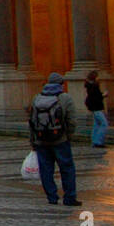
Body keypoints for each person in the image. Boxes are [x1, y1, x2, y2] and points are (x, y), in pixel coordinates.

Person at [28, 72, 81, 206]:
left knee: (46, 170)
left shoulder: (37, 98)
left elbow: (32, 121)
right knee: (67, 168)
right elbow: (72, 121)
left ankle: (52, 197)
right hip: (60, 139)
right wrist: (68, 136)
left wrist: (32, 140)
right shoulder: (65, 98)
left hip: (40, 140)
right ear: (61, 84)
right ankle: (69, 197)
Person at [84, 70, 108, 148]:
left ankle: (95, 141)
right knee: (104, 123)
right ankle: (98, 141)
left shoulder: (89, 86)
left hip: (93, 107)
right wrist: (104, 95)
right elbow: (96, 98)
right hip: (96, 107)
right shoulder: (94, 86)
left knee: (97, 124)